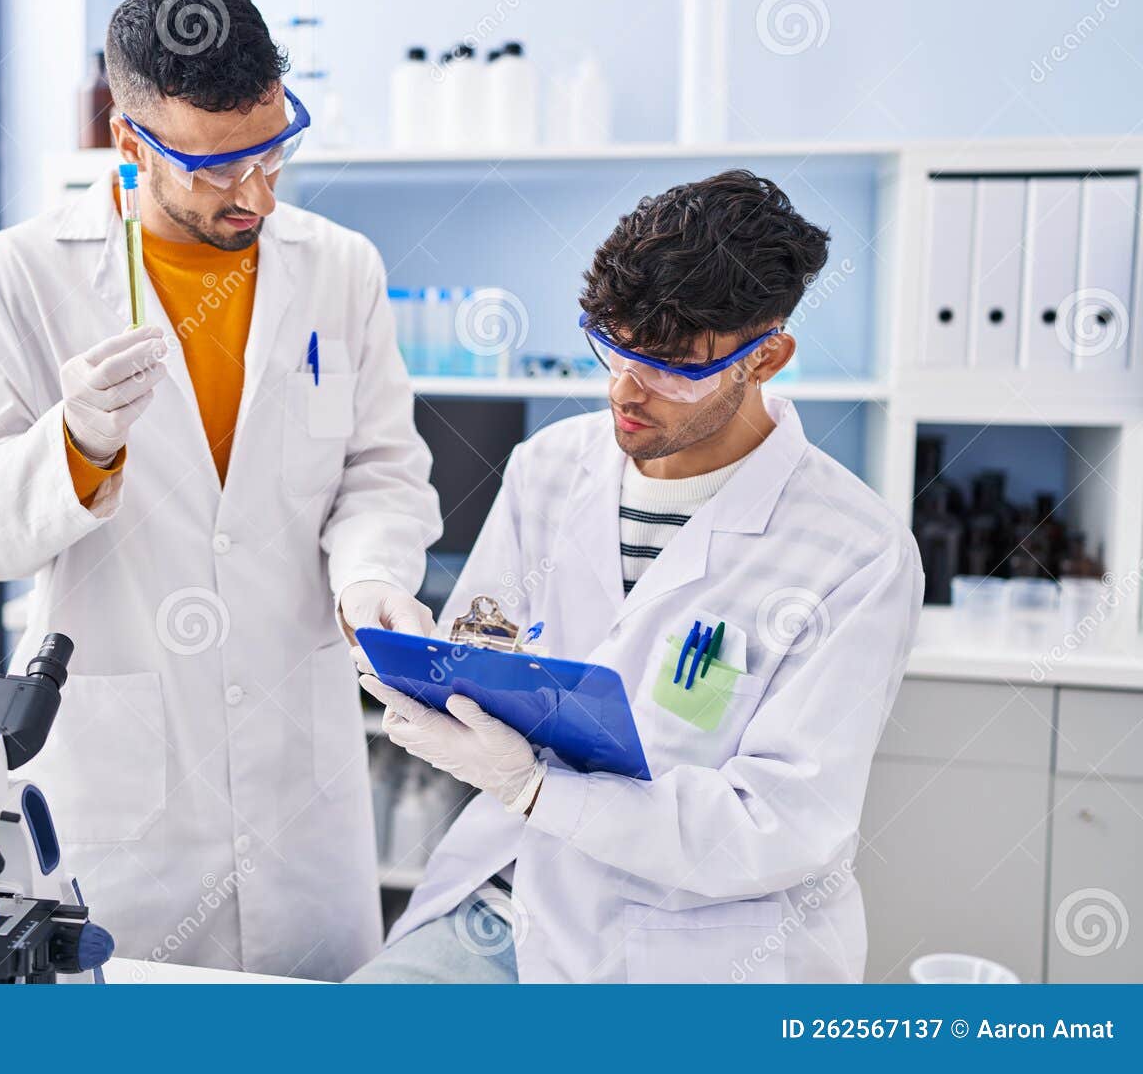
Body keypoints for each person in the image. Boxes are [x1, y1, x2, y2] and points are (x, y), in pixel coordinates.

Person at [0, 0, 440, 981]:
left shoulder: (341, 266)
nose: (255, 193)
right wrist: (77, 441)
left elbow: (382, 470)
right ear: (128, 141)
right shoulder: (22, 274)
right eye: (215, 168)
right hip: (129, 790)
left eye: (272, 150)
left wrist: (372, 575)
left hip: (300, 772)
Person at [349, 171, 924, 983]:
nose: (625, 389)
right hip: (509, 903)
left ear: (766, 357)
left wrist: (537, 788)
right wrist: (424, 672)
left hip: (699, 952)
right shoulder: (549, 468)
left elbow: (782, 824)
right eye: (613, 345)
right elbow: (484, 646)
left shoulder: (856, 551)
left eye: (671, 367)